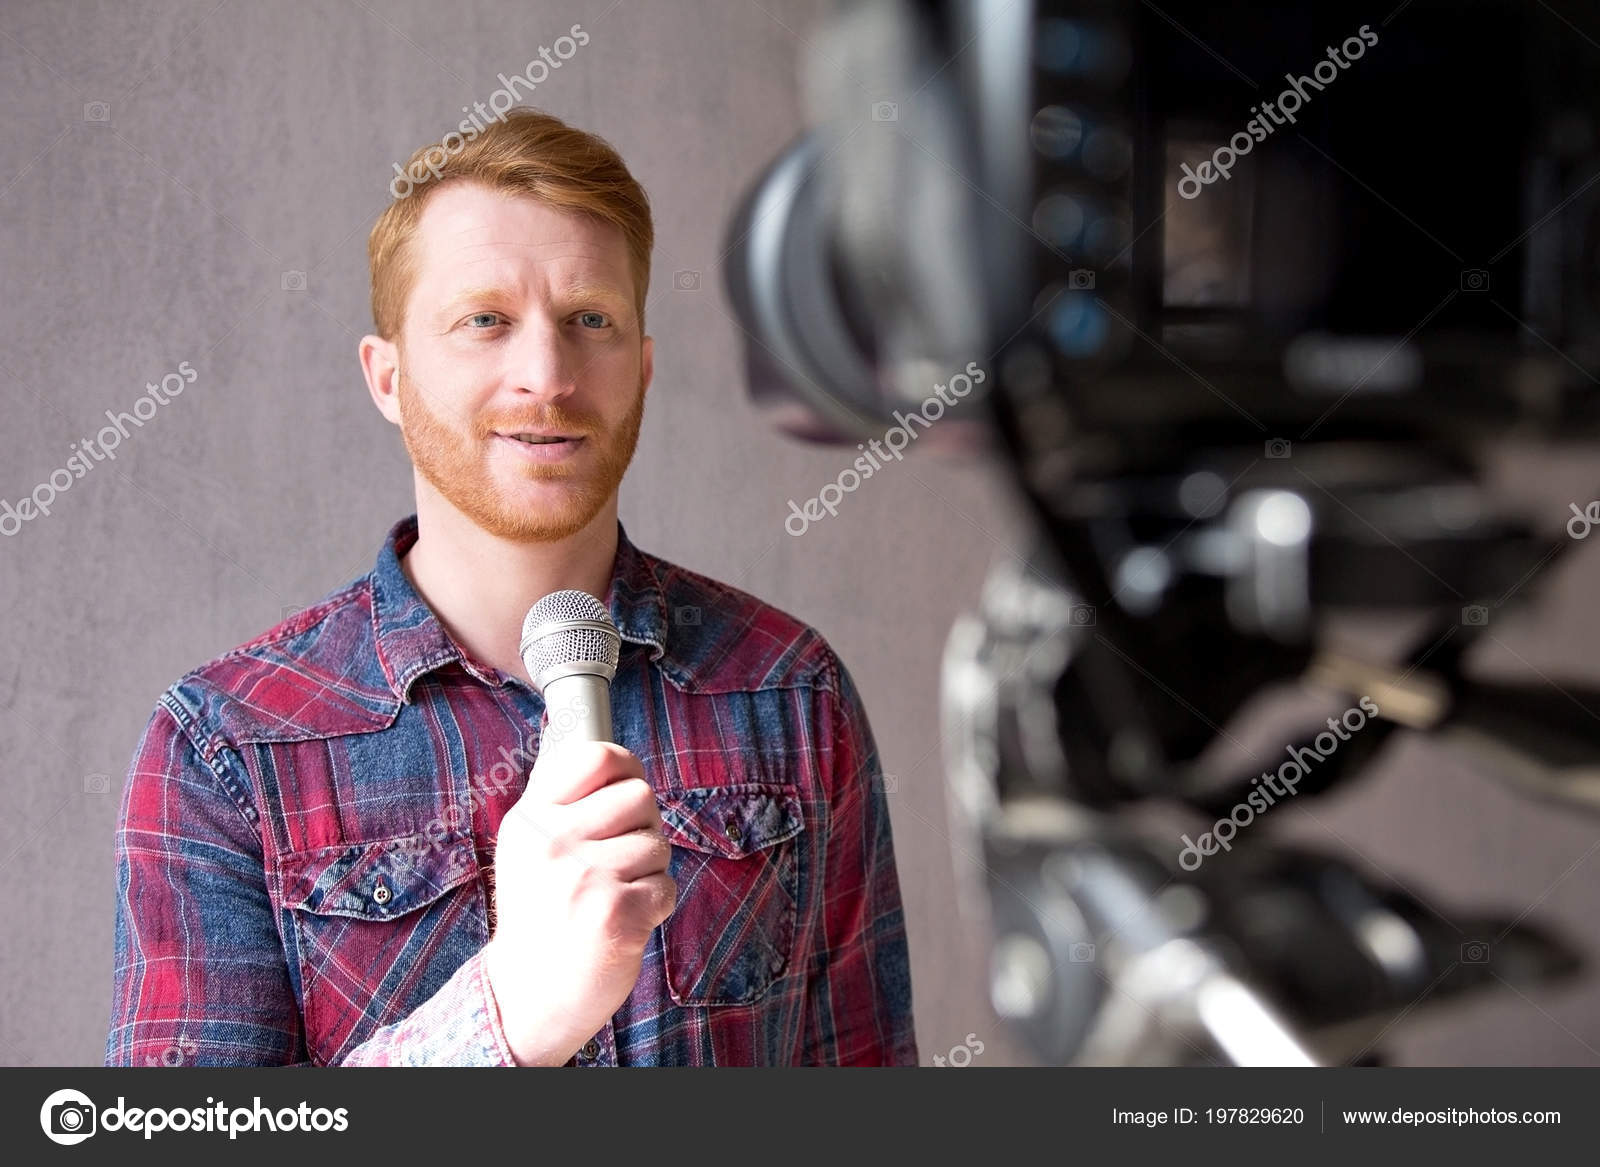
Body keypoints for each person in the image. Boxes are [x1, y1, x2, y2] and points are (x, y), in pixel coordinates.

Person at [105, 107, 917, 1067]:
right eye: (485, 320)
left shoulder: (790, 688)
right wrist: (511, 1011)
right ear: (388, 378)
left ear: (643, 369)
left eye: (591, 321)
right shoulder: (223, 750)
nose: (547, 374)